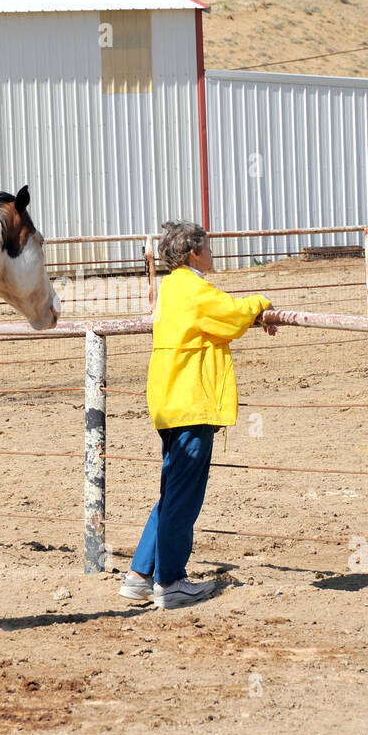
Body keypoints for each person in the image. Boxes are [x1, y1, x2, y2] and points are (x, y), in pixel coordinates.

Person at [119, 221, 277, 609]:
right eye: (206, 247)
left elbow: (216, 323)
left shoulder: (169, 288)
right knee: (184, 497)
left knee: (171, 492)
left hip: (169, 401)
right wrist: (263, 305)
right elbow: (232, 315)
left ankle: (140, 575)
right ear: (193, 252)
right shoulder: (193, 288)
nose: (211, 253)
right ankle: (170, 581)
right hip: (191, 401)